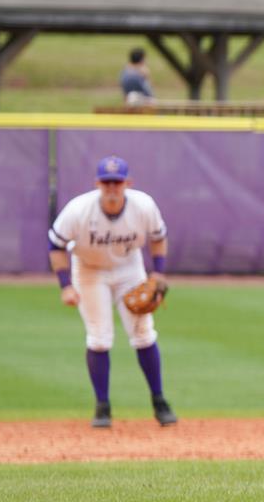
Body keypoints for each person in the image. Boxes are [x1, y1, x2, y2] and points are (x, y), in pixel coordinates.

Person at [47, 155, 177, 429]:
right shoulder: (78, 210)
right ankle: (102, 407)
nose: (112, 188)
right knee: (99, 338)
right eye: (107, 182)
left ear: (127, 183)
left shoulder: (143, 205)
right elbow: (55, 246)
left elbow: (158, 237)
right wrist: (65, 285)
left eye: (117, 182)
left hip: (129, 268)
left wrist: (159, 272)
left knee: (143, 334)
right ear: (97, 183)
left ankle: (159, 401)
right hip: (90, 271)